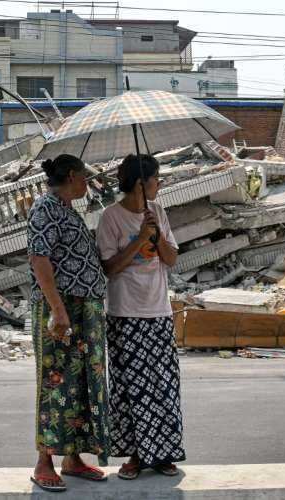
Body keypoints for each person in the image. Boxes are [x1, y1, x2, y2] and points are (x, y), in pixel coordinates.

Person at [96, 153, 185, 480]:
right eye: (156, 178)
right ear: (140, 184)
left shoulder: (158, 212)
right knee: (131, 387)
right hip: (125, 315)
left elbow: (171, 258)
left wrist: (156, 234)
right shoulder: (111, 218)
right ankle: (135, 455)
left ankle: (163, 453)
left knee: (163, 386)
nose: (159, 184)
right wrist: (137, 240)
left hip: (158, 311)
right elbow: (110, 267)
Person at [27, 154, 110, 493]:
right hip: (63, 311)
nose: (87, 185)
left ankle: (72, 458)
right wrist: (58, 310)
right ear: (73, 176)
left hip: (82, 310)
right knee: (55, 383)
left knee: (79, 384)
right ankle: (44, 461)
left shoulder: (65, 209)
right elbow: (39, 259)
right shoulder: (44, 208)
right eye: (85, 179)